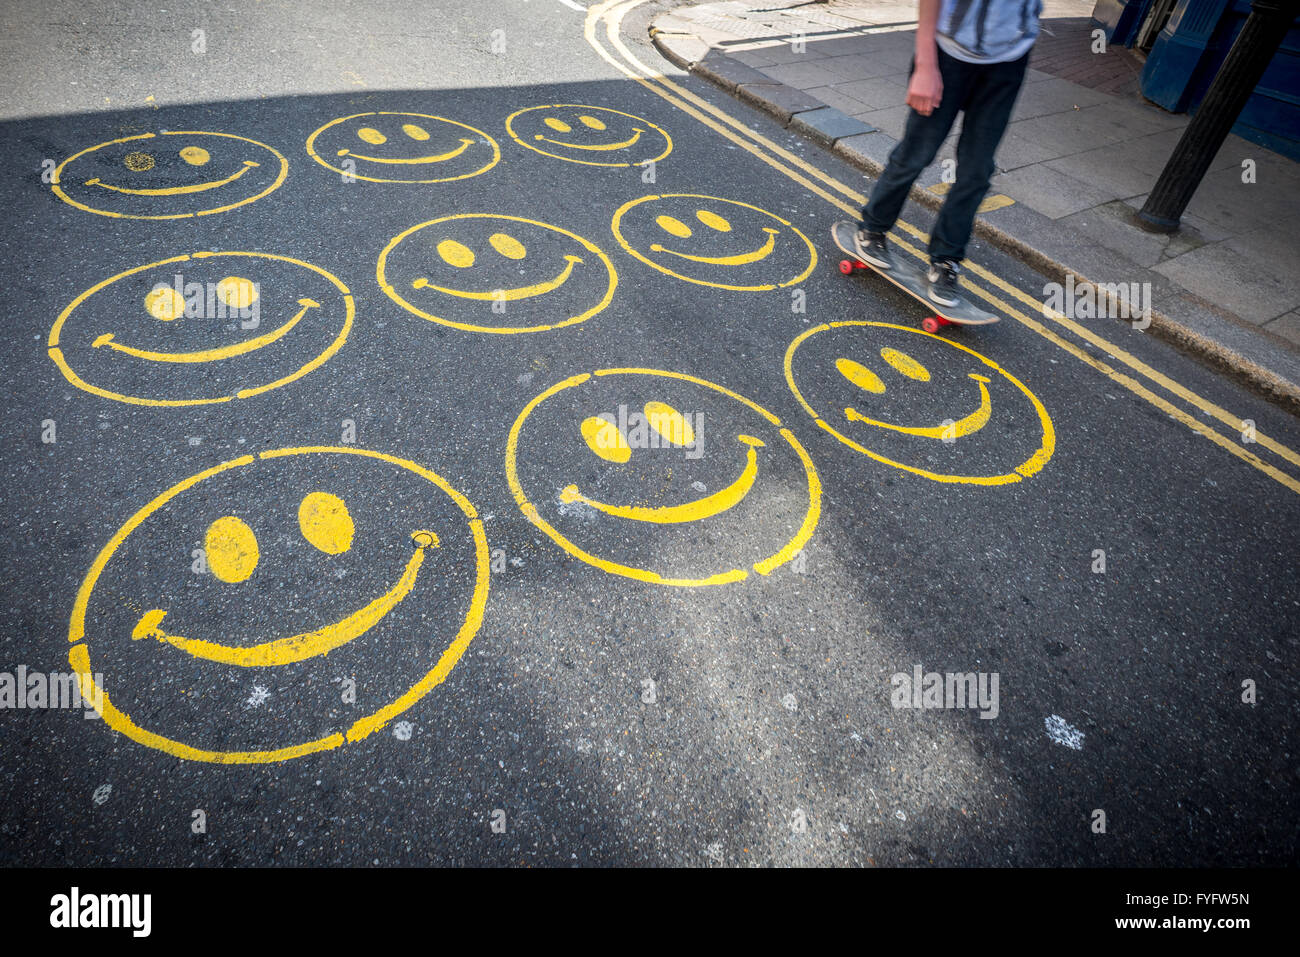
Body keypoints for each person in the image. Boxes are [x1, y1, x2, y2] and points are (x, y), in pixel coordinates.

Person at [846, 0, 1041, 306]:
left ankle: (946, 261)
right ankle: (873, 228)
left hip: (1009, 62)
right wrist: (925, 64)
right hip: (949, 54)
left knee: (977, 171)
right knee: (917, 153)